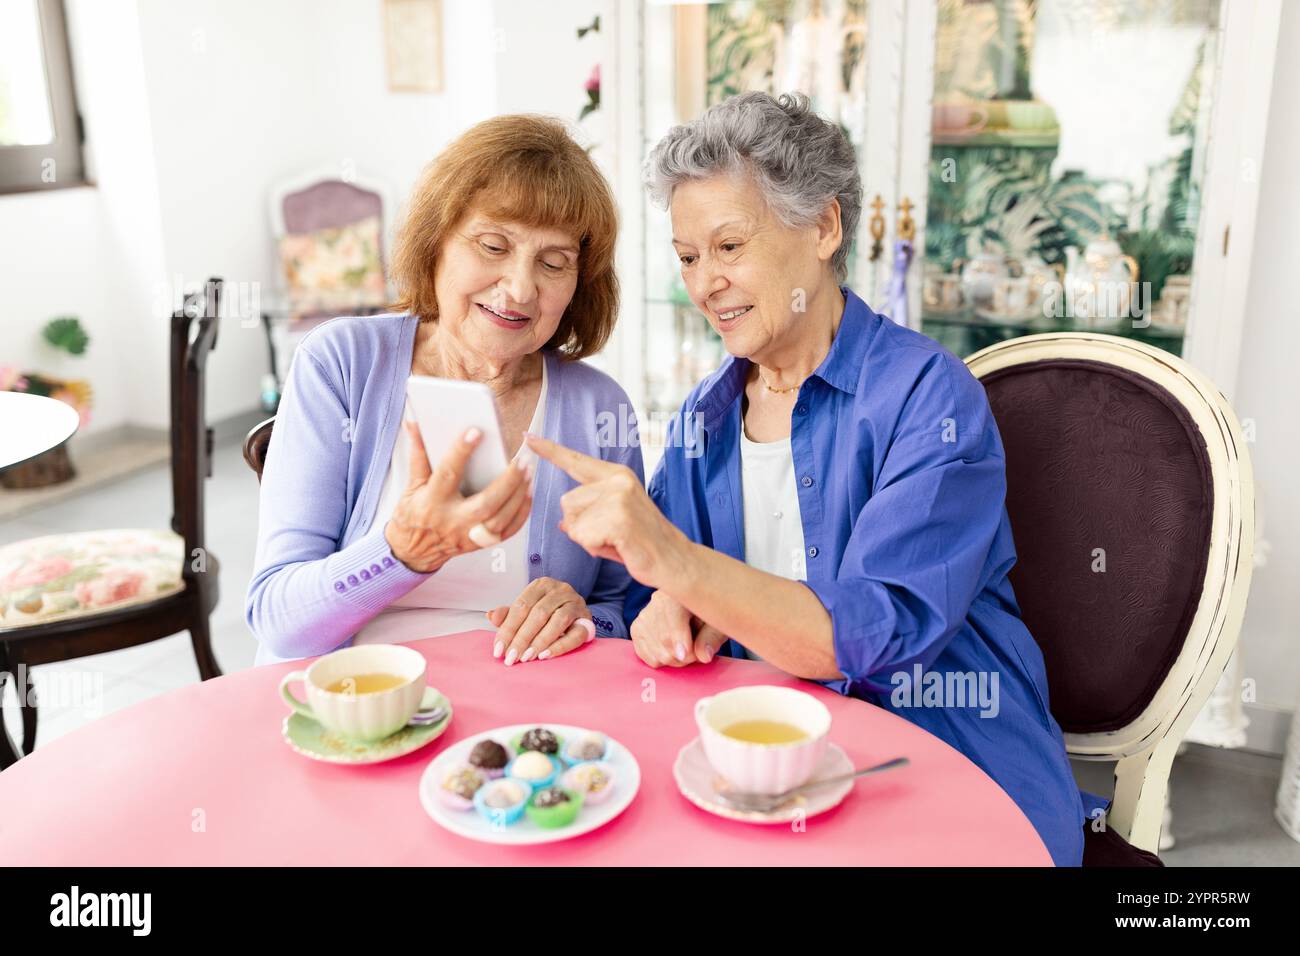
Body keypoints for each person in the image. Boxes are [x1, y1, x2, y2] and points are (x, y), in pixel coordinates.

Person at [524, 91, 1103, 865]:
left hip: (940, 756)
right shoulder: (709, 411)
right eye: (688, 257)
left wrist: (682, 567)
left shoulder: (927, 397)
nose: (705, 284)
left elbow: (876, 634)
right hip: (761, 758)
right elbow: (651, 599)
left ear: (824, 227)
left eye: (730, 246)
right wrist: (647, 607)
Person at [246, 114, 642, 668]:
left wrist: (581, 618)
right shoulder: (341, 363)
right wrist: (401, 552)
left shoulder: (599, 407)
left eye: (554, 263)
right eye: (493, 246)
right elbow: (279, 622)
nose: (521, 287)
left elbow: (621, 606)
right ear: (436, 243)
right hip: (359, 702)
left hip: (521, 723)